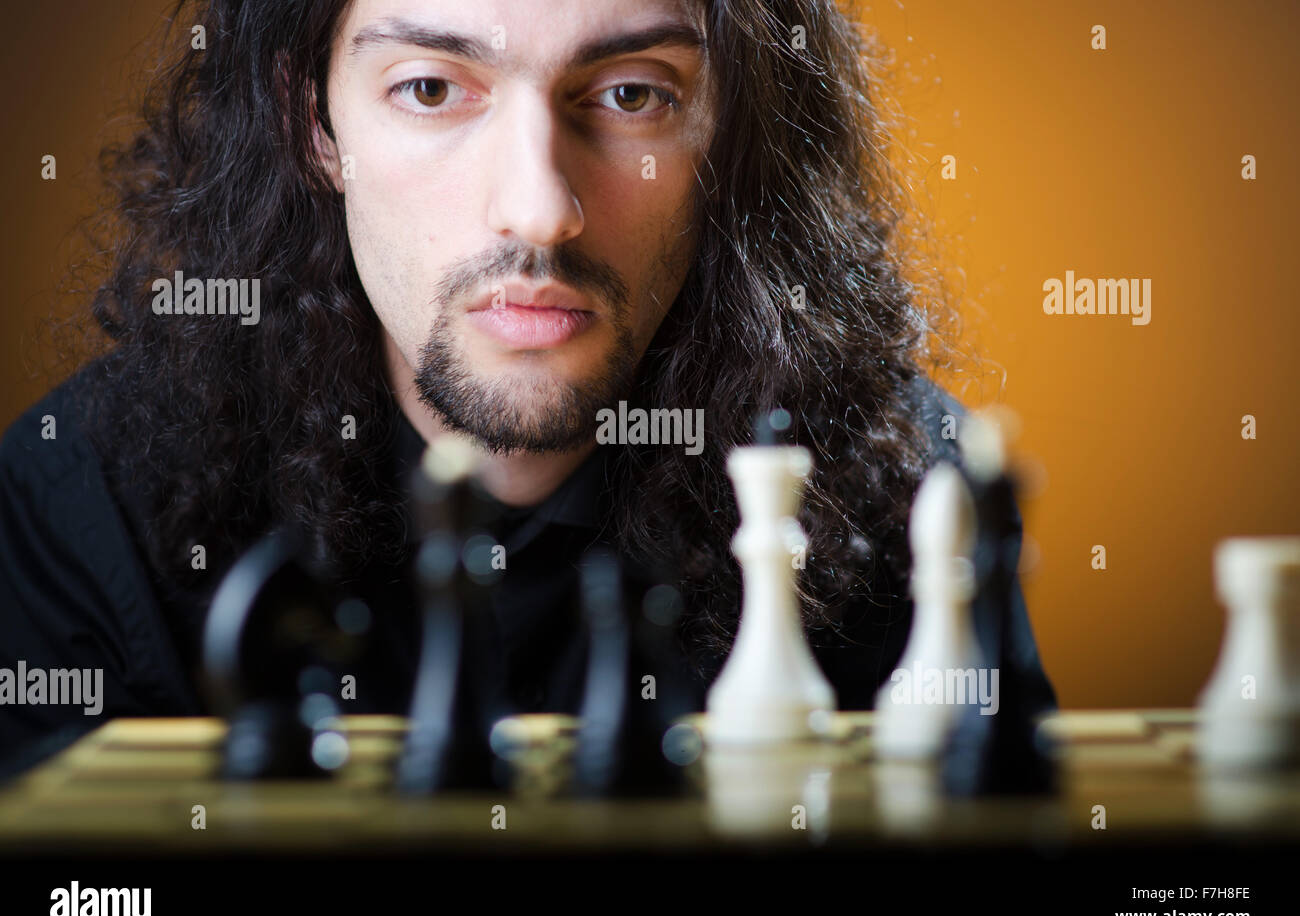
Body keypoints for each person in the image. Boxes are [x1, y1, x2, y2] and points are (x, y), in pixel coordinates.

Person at [0, 0, 1055, 762]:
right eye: (429, 88)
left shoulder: (916, 495)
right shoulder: (83, 504)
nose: (541, 209)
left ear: (728, 136)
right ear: (312, 126)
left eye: (633, 94)